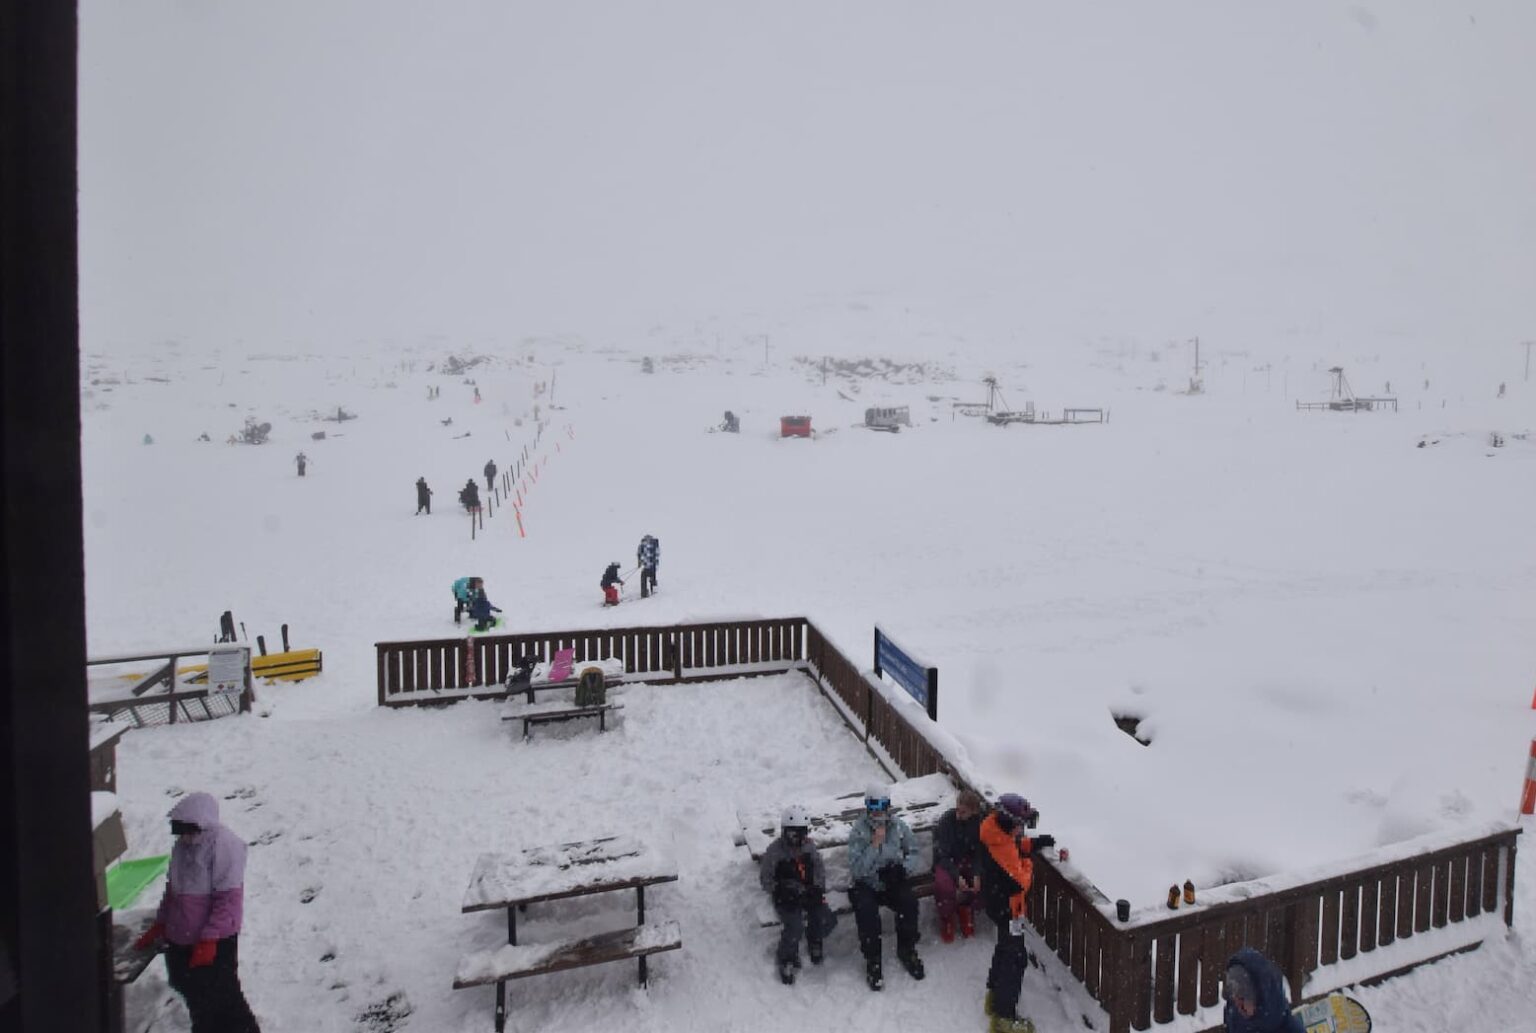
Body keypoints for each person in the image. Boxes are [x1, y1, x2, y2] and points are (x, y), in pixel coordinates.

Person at [133, 792, 261, 1032]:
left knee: (223, 998)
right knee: (192, 993)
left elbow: (228, 900)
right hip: (182, 938)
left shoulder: (225, 846)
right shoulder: (183, 846)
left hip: (214, 941)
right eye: (179, 831)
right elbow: (173, 891)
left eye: (188, 831)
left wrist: (210, 938)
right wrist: (162, 922)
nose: (183, 837)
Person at [979, 793, 1047, 1033]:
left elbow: (1015, 846)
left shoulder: (997, 831)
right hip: (1006, 908)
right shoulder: (1001, 846)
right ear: (1009, 822)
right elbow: (1021, 882)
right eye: (1020, 824)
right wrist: (1028, 863)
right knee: (1016, 958)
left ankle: (994, 996)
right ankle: (1004, 1017)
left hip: (999, 904)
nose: (1022, 829)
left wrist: (1035, 844)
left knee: (1004, 948)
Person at [847, 782, 924, 990]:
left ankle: (906, 949)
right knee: (867, 913)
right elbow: (856, 869)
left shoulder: (897, 826)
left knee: (908, 903)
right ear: (867, 807)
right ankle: (873, 959)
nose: (878, 811)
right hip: (867, 882)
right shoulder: (859, 831)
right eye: (873, 806)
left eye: (882, 806)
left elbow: (914, 851)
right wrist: (874, 845)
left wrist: (903, 869)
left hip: (891, 879)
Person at [758, 805, 837, 985]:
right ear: (785, 832)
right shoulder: (775, 851)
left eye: (801, 833)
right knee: (795, 926)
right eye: (793, 834)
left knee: (826, 919)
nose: (797, 838)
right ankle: (787, 957)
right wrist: (781, 889)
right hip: (787, 897)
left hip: (808, 892)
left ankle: (814, 938)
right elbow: (765, 878)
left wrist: (817, 887)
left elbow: (819, 869)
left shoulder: (809, 847)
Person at [933, 789, 984, 943]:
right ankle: (947, 917)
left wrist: (976, 873)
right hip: (947, 861)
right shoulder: (947, 821)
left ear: (974, 812)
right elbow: (941, 854)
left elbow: (979, 852)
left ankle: (966, 909)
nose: (958, 815)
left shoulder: (978, 823)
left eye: (963, 812)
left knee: (981, 880)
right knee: (945, 886)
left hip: (967, 860)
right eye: (957, 810)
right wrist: (956, 875)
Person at [1223, 948, 1304, 1033]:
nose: (1237, 1003)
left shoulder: (1289, 1029)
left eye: (1243, 996)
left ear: (1260, 996)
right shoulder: (1235, 1015)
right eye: (1233, 993)